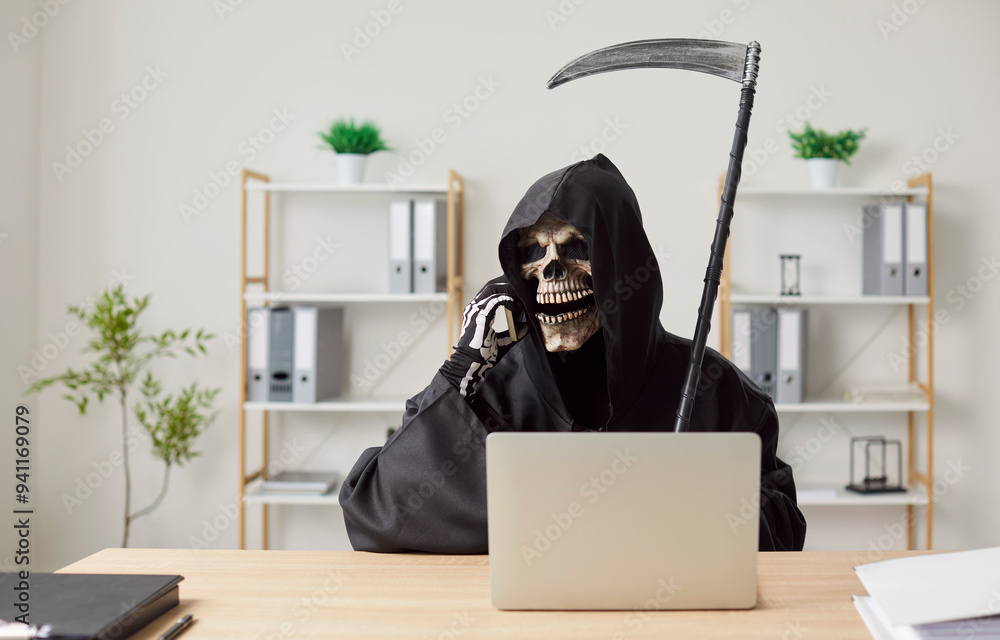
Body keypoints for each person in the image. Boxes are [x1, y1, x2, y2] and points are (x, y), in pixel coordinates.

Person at [339, 154, 807, 553]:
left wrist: (688, 500)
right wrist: (464, 366)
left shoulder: (712, 389)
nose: (552, 271)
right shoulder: (490, 389)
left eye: (575, 248)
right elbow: (376, 512)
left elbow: (782, 534)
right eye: (533, 254)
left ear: (623, 262)